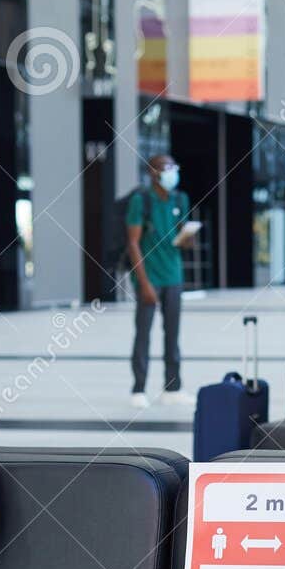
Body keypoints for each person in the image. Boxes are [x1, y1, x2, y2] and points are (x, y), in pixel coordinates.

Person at [126, 154, 194, 409]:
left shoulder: (180, 199)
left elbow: (182, 237)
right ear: (153, 172)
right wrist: (143, 283)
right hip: (149, 277)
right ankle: (138, 388)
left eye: (174, 167)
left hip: (173, 275)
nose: (172, 172)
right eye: (167, 167)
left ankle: (172, 387)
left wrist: (189, 237)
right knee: (143, 333)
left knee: (173, 334)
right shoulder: (140, 201)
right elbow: (133, 243)